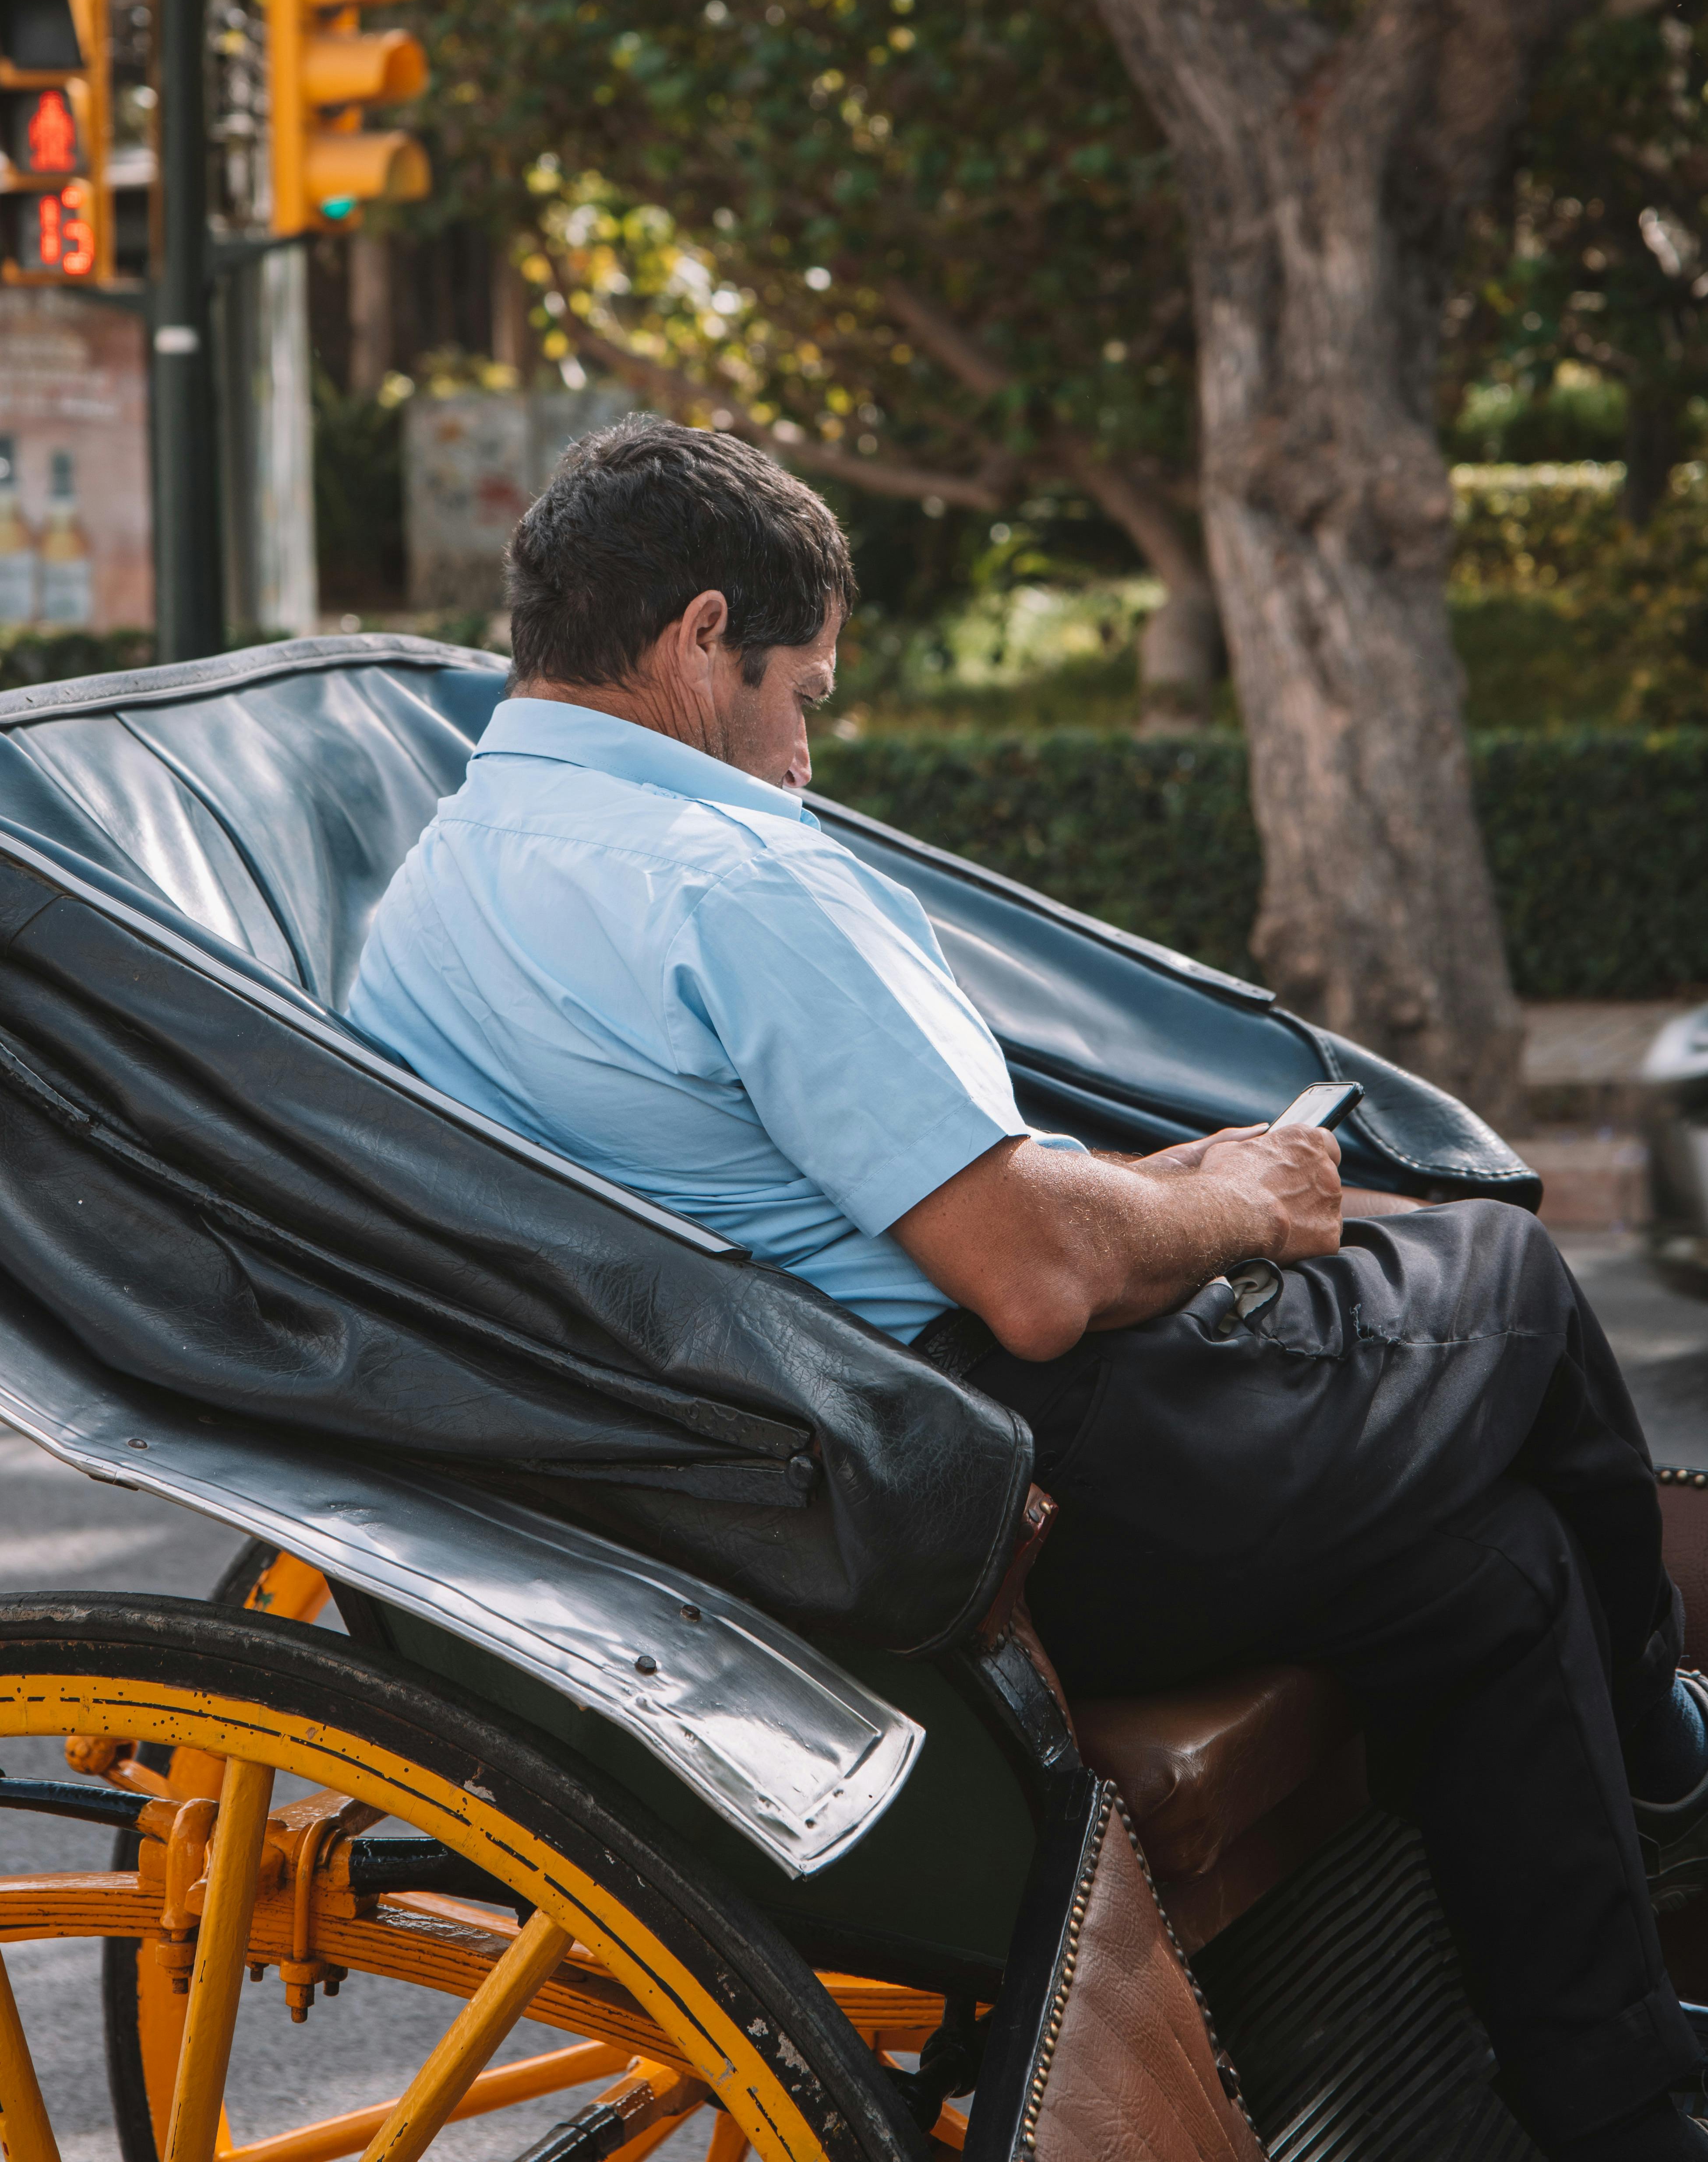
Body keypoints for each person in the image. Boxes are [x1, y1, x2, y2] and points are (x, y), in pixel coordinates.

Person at [352, 417, 1708, 2162]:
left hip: (762, 1495)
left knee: (1494, 1572)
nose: (802, 753)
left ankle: (1617, 2107)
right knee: (1506, 1278)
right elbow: (1037, 1280)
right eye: (804, 698)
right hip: (998, 1504)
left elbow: (861, 1202)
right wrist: (1240, 1203)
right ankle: (1667, 1752)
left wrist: (1162, 1190)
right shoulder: (727, 876)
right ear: (702, 641)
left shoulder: (439, 896)